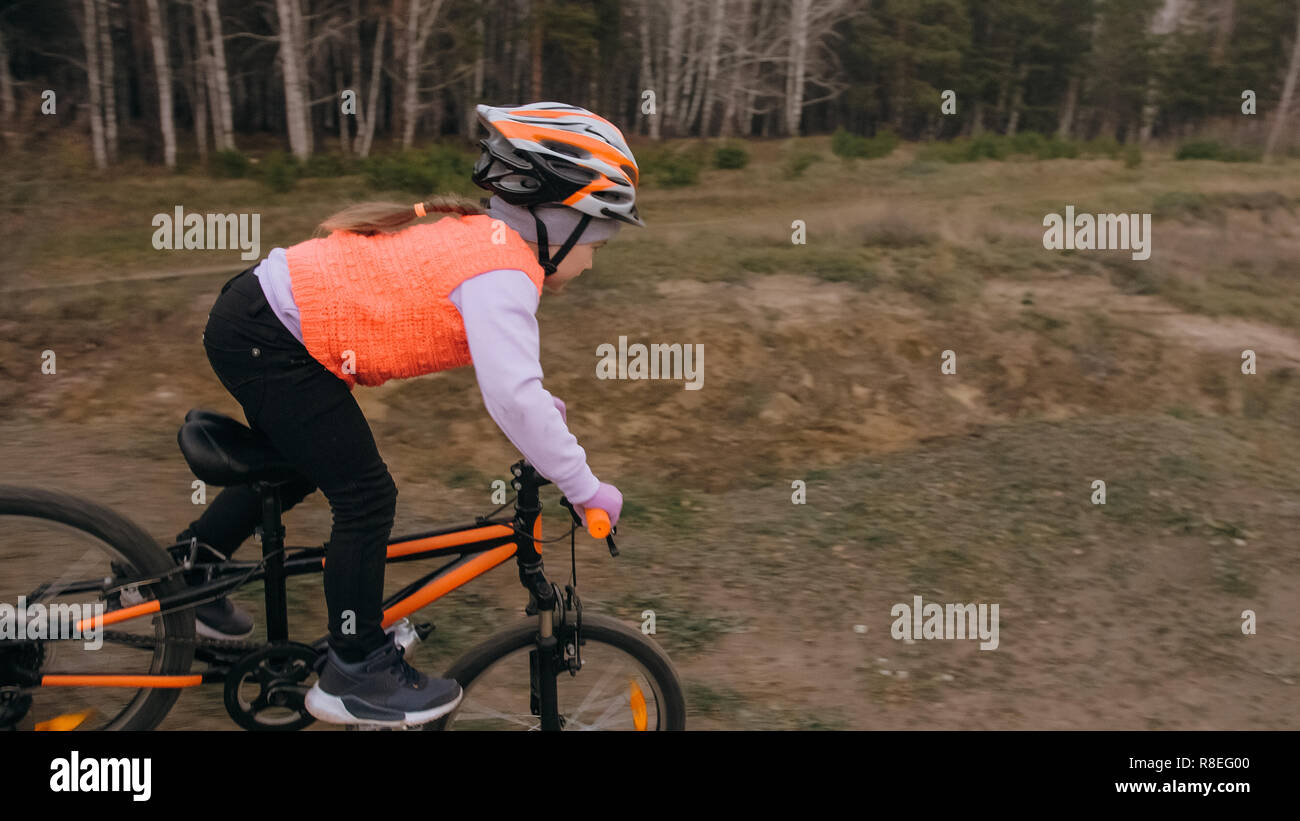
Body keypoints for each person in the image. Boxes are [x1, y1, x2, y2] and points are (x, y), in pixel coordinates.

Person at [176, 102, 640, 727]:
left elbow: (515, 386)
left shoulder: (490, 242)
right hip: (271, 337)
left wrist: (540, 422)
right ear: (559, 221)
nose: (593, 259)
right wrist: (584, 486)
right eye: (599, 238)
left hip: (261, 320)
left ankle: (190, 571)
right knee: (365, 497)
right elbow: (512, 397)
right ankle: (355, 668)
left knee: (305, 461)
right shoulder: (504, 270)